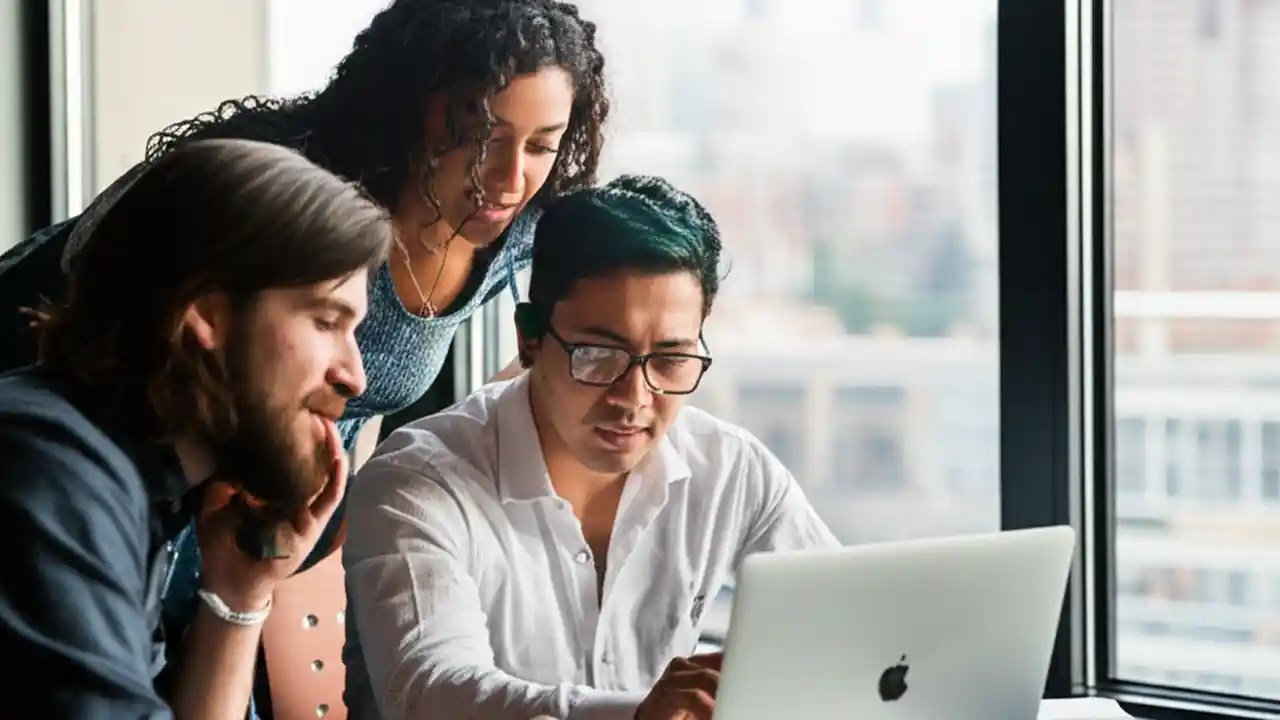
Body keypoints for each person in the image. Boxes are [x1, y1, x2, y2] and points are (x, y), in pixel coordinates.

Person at [0, 0, 610, 694]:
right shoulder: (286, 201)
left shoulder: (517, 225)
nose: (507, 179)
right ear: (410, 108)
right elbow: (95, 310)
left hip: (227, 502)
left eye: (541, 146)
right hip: (95, 449)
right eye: (479, 136)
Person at [343, 175, 839, 720]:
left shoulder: (730, 472)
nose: (635, 399)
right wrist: (638, 714)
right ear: (529, 338)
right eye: (599, 355)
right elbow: (431, 691)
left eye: (671, 360)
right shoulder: (417, 482)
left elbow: (850, 618)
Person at [0, 139, 391, 717]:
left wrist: (241, 590)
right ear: (207, 314)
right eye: (326, 321)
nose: (355, 377)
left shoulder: (129, 479)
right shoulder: (50, 472)